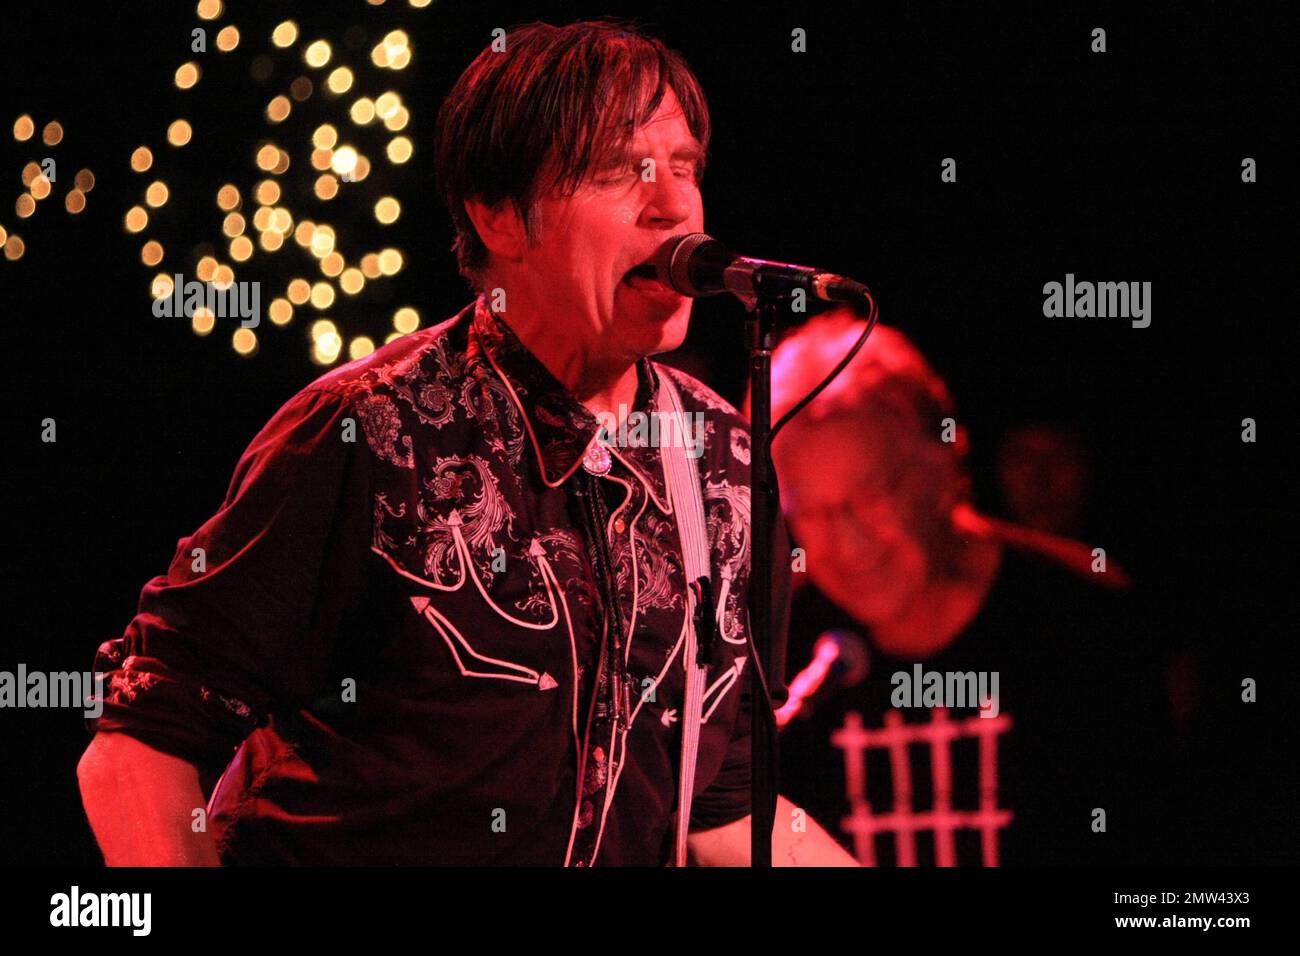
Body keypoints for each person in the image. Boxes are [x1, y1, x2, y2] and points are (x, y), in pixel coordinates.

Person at [76, 19, 855, 867]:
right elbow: (141, 745)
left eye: (684, 168)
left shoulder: (724, 464)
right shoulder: (369, 432)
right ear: (498, 218)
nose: (673, 205)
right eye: (619, 170)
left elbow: (724, 805)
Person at [769, 308, 1164, 865]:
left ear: (939, 471)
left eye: (871, 495)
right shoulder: (778, 653)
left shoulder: (1083, 622)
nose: (848, 544)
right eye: (813, 512)